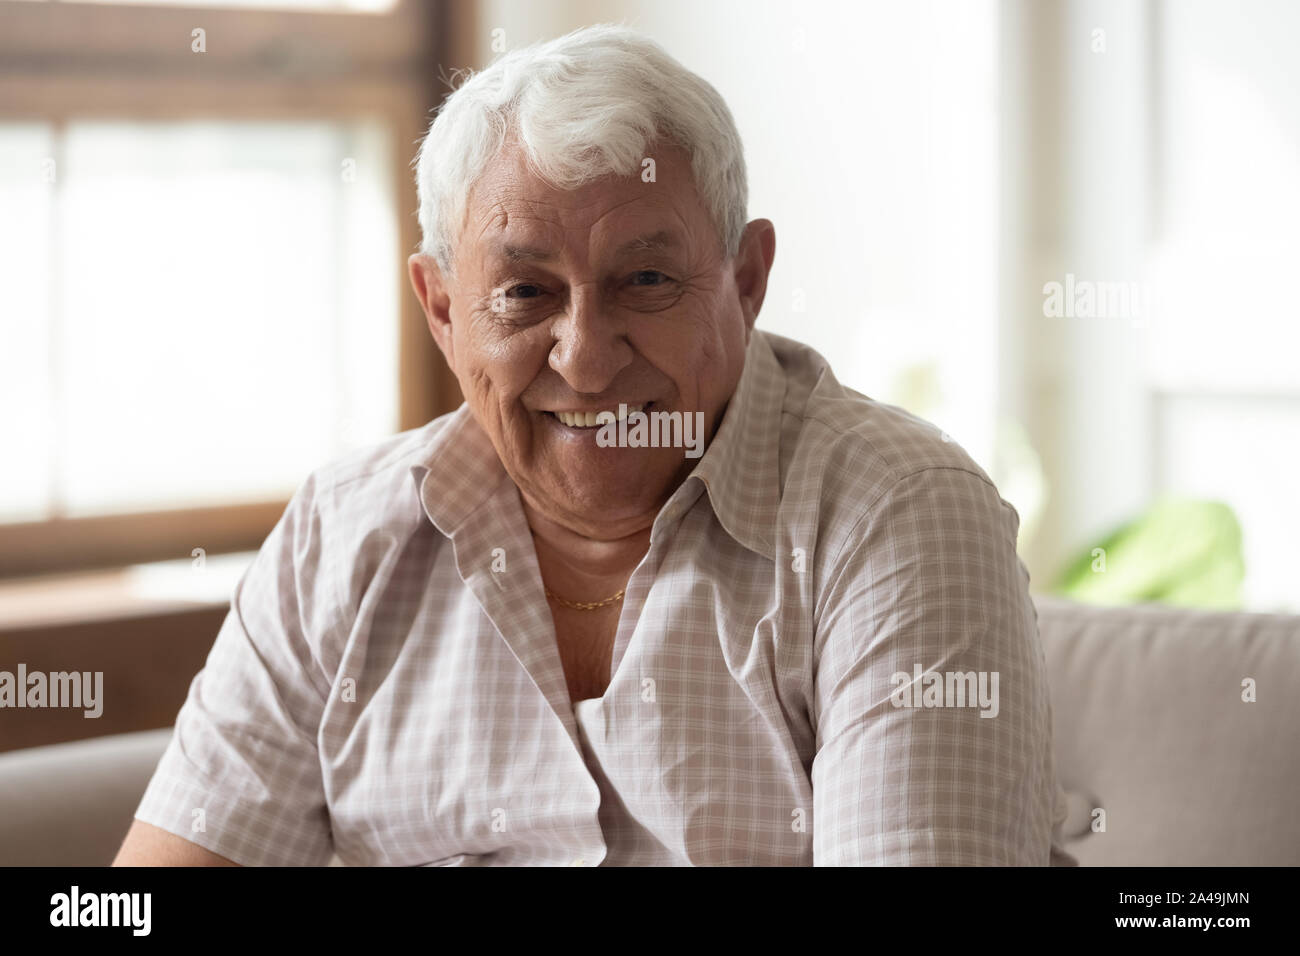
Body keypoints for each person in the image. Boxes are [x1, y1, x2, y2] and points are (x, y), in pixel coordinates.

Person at [115, 23, 1073, 866]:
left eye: (646, 279)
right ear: (443, 312)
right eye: (526, 294)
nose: (585, 360)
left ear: (746, 281)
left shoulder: (896, 516)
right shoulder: (342, 534)